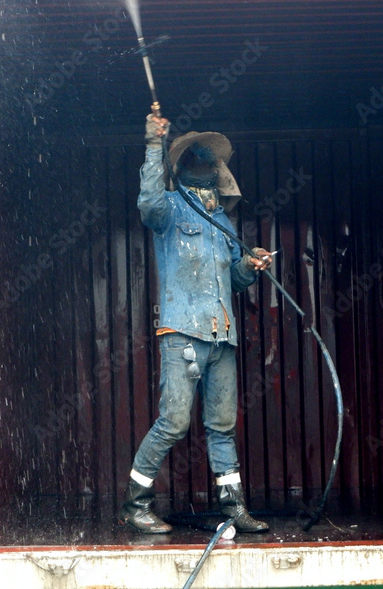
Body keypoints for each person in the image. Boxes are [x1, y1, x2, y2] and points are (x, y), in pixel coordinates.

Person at [117, 113, 273, 535]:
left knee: (222, 425)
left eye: (212, 160)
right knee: (174, 423)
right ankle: (135, 504)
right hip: (182, 334)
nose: (210, 164)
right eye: (201, 158)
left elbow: (233, 281)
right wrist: (153, 144)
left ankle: (233, 506)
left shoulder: (221, 221)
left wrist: (250, 264)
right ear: (185, 167)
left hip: (222, 337)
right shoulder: (167, 207)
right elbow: (147, 200)